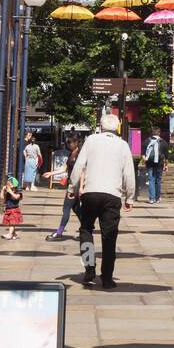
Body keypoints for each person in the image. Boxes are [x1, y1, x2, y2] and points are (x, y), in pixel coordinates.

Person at [70, 113, 135, 289]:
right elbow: (129, 173)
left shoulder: (91, 140)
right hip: (112, 195)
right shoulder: (123, 145)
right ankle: (107, 277)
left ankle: (89, 268)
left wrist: (72, 188)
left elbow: (79, 166)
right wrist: (129, 197)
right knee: (109, 237)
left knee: (86, 229)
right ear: (117, 127)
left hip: (90, 193)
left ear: (100, 125)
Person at [46, 137, 81, 241]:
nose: (68, 144)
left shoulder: (80, 155)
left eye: (70, 143)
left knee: (66, 208)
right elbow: (65, 168)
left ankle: (59, 233)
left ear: (76, 143)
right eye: (68, 142)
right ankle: (86, 230)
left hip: (74, 186)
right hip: (73, 184)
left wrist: (78, 187)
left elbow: (82, 172)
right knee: (77, 209)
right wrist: (51, 173)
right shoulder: (72, 154)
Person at [142, 127, 166, 204]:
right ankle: (158, 198)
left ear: (152, 133)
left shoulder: (147, 141)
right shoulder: (163, 142)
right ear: (159, 133)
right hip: (160, 163)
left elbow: (143, 154)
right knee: (158, 180)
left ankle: (152, 198)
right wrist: (166, 165)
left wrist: (144, 161)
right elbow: (166, 155)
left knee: (151, 180)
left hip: (149, 163)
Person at [0, 175, 23, 240]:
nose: (7, 184)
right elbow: (2, 197)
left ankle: (10, 234)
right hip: (8, 209)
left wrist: (10, 191)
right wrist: (2, 190)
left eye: (9, 183)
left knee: (12, 222)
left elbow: (16, 197)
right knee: (11, 222)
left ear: (13, 185)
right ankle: (14, 234)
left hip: (14, 210)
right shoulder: (7, 193)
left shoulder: (18, 192)